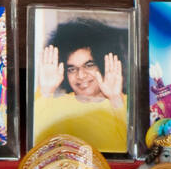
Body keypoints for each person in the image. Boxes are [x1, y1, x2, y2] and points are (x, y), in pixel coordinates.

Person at [33, 17, 128, 153]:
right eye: (72, 69)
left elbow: (131, 149)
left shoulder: (123, 103)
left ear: (103, 64)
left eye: (89, 65)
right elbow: (37, 144)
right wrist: (47, 90)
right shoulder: (54, 104)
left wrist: (115, 98)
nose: (81, 75)